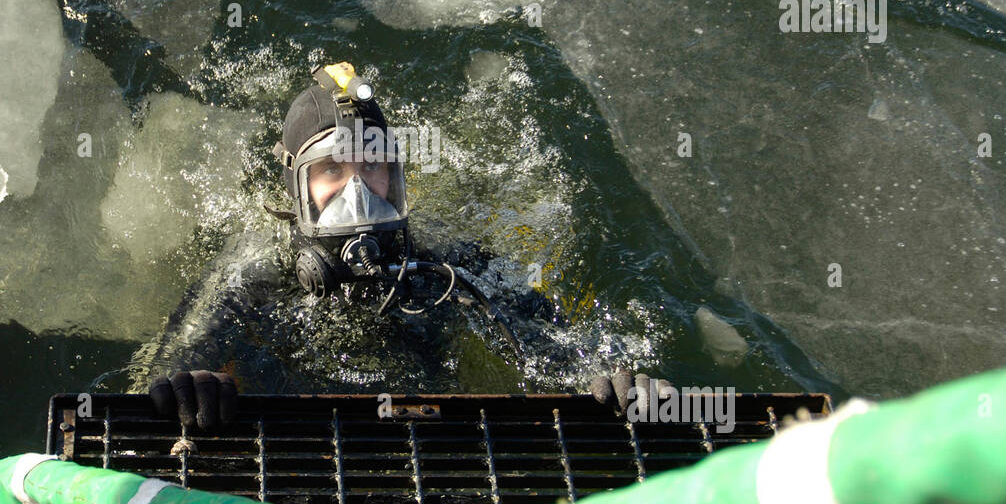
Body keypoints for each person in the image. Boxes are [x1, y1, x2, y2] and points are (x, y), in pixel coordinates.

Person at [144, 62, 643, 429]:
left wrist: (618, 382)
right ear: (295, 189)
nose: (357, 192)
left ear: (395, 175)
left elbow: (550, 337)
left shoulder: (441, 263)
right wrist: (190, 382)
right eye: (333, 170)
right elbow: (179, 356)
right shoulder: (255, 275)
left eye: (372, 166)